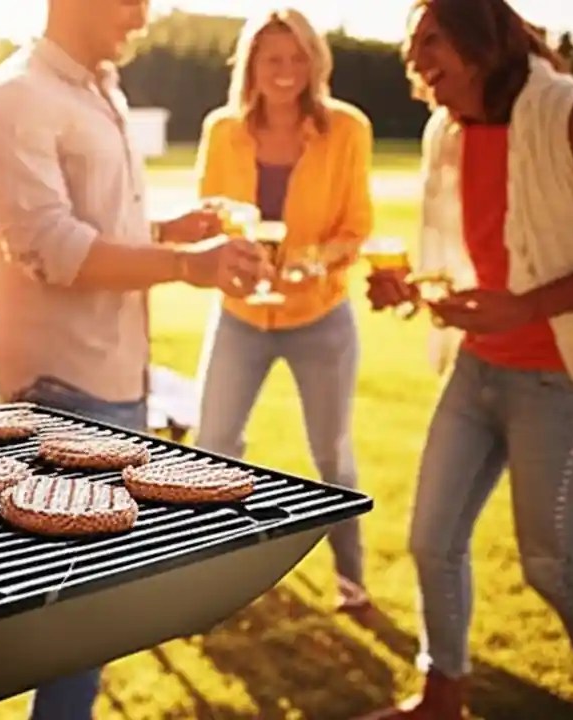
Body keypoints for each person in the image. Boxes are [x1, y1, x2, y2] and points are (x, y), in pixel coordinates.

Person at [0, 1, 265, 717]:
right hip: (62, 388)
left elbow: (97, 224)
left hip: (116, 377)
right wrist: (190, 264)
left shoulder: (99, 90)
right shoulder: (13, 101)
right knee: (76, 617)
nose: (143, 16)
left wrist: (165, 229)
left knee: (86, 614)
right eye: (128, 1)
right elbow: (53, 249)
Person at [360, 1, 573, 717]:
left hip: (555, 378)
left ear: (481, 41)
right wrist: (411, 289)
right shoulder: (443, 133)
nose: (415, 59)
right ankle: (441, 695)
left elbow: (526, 281)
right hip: (476, 366)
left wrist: (527, 306)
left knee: (553, 565)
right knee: (431, 539)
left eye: (432, 40)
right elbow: (465, 255)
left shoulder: (563, 111)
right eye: (410, 45)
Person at [191, 8, 376, 614]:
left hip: (319, 318)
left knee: (332, 455)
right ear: (252, 64)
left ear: (315, 63)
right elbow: (207, 214)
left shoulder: (347, 129)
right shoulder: (222, 130)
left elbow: (357, 227)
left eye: (298, 58)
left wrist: (315, 260)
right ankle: (212, 573)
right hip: (240, 315)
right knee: (213, 442)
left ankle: (352, 582)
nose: (286, 71)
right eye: (273, 58)